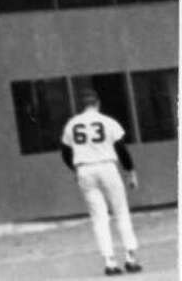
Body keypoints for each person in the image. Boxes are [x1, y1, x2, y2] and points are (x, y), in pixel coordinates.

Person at [60, 91, 140, 275]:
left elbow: (65, 152)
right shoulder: (108, 121)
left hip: (85, 168)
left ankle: (109, 262)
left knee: (99, 217)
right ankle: (130, 258)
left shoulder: (72, 124)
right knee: (121, 212)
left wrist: (76, 169)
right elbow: (121, 149)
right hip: (107, 166)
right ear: (98, 104)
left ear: (82, 105)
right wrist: (131, 172)